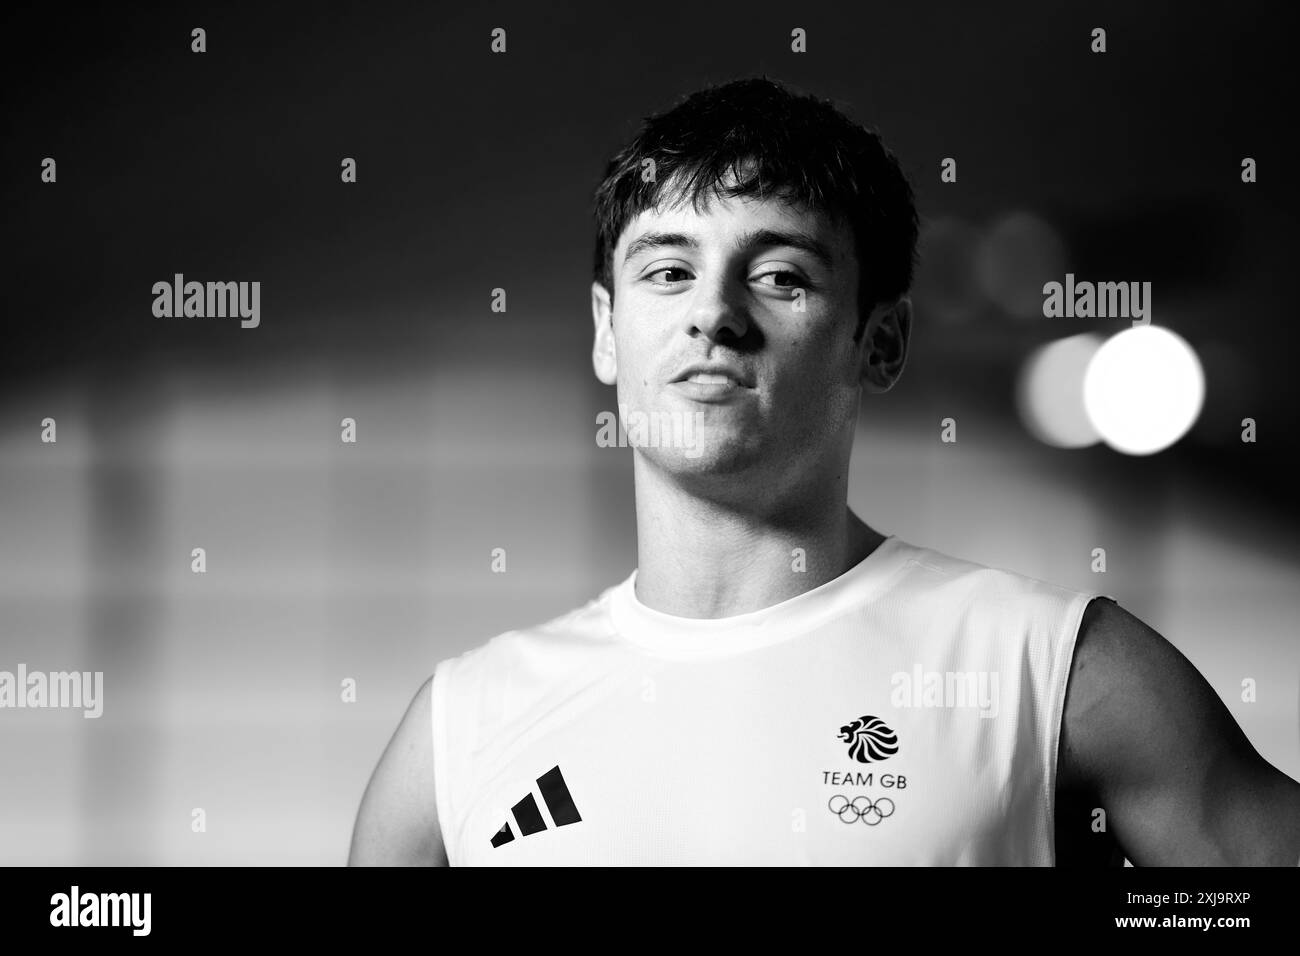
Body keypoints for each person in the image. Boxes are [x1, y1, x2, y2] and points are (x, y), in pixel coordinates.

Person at [348, 76, 1300, 866]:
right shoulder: (458, 731)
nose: (713, 314)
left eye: (781, 276)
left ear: (878, 343)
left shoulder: (1056, 671)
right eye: (668, 271)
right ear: (607, 330)